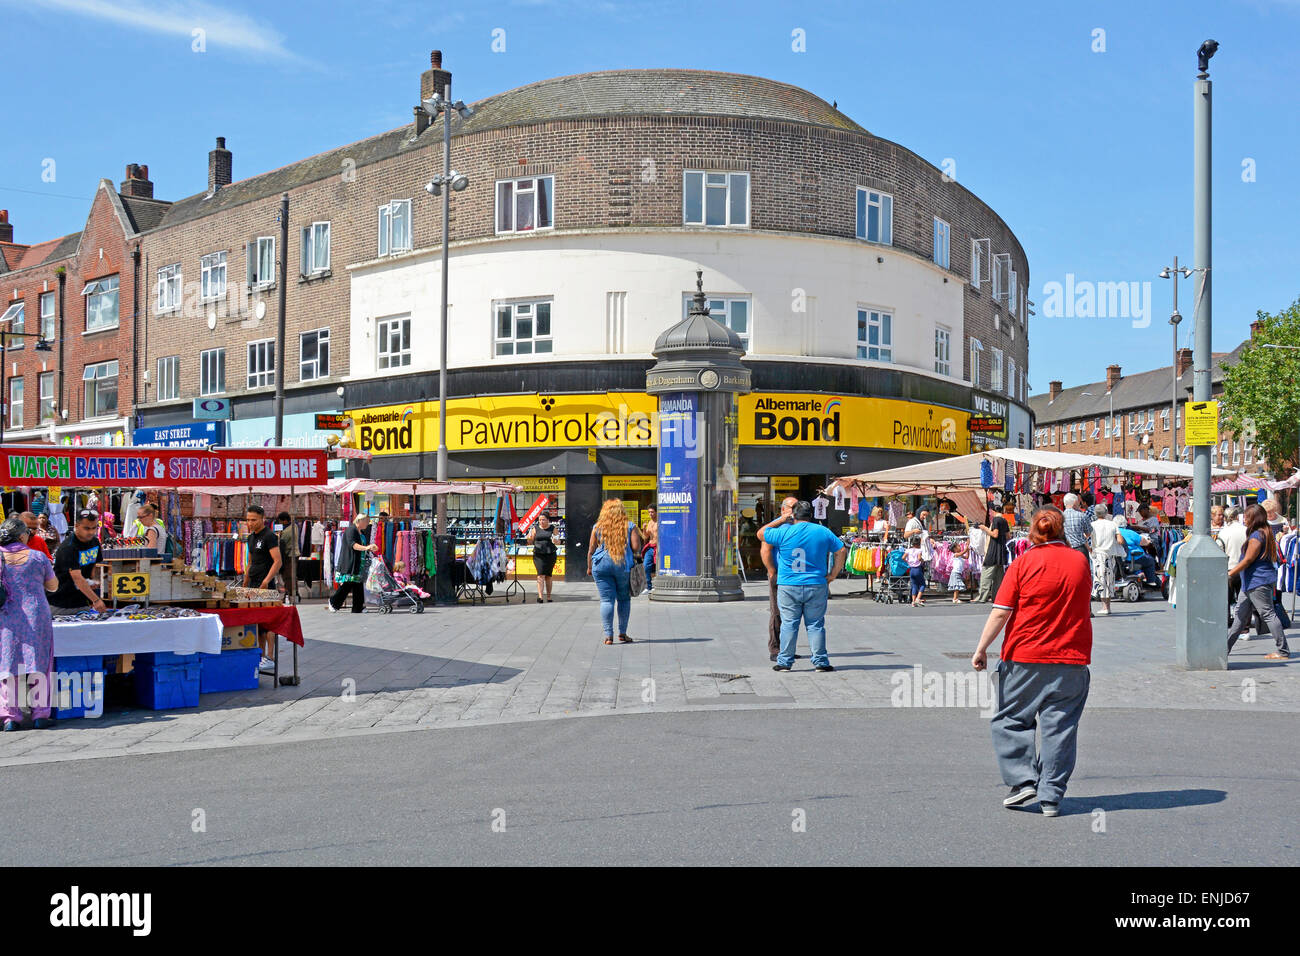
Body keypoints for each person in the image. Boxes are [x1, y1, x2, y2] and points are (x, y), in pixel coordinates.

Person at [972, 505, 1092, 818]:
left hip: (1024, 656)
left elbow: (1001, 611)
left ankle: (1023, 780)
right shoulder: (1080, 561)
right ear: (1062, 529)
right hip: (1071, 658)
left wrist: (982, 648)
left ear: (1032, 532)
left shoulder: (1023, 563)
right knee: (1060, 729)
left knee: (1011, 719)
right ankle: (1051, 797)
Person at [759, 500, 848, 672]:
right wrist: (833, 574)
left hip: (788, 584)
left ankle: (784, 661)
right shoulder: (822, 531)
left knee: (788, 623)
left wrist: (781, 519)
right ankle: (820, 662)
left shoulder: (784, 532)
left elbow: (761, 534)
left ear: (794, 515)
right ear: (811, 515)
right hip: (816, 583)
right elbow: (841, 550)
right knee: (815, 624)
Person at [0, 516, 60, 731]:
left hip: (5, 616)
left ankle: (10, 718)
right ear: (22, 535)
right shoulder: (37, 557)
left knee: (8, 666)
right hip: (36, 615)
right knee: (40, 664)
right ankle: (40, 715)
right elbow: (53, 587)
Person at [1227, 504, 1290, 660]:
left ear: (1254, 518)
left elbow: (1248, 559)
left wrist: (1230, 573)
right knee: (1240, 618)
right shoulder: (1264, 533)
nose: (1244, 519)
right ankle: (1224, 648)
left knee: (1268, 614)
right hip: (1250, 582)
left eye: (1247, 517)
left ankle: (1283, 651)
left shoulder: (1257, 536)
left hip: (1257, 582)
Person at [587, 498, 642, 645]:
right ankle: (622, 634)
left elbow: (591, 549)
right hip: (622, 564)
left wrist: (589, 567)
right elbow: (636, 547)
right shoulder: (630, 526)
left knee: (606, 600)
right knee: (623, 599)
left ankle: (608, 636)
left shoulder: (597, 527)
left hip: (601, 564)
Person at [243, 505, 283, 672]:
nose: (250, 523)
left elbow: (277, 561)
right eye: (248, 520)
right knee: (258, 623)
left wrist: (267, 580)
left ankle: (270, 657)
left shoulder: (269, 536)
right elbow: (250, 562)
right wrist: (245, 581)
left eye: (254, 520)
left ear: (262, 519)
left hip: (265, 585)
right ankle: (260, 655)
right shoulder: (251, 538)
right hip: (253, 584)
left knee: (268, 623)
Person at [762, 496, 798, 662]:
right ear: (783, 509)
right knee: (777, 613)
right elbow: (765, 550)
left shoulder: (798, 524)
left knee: (791, 615)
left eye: (796, 507)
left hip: (794, 575)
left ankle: (787, 647)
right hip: (779, 575)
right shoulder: (777, 525)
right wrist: (771, 570)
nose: (793, 510)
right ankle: (775, 648)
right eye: (791, 507)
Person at [50, 510, 106, 616]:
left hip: (83, 601)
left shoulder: (95, 542)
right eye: (86, 528)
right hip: (61, 603)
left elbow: (96, 565)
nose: (91, 532)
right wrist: (96, 600)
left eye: (94, 528)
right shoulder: (68, 547)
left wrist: (95, 581)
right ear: (76, 526)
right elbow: (77, 577)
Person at [329, 514, 377, 614]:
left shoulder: (361, 532)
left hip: (359, 562)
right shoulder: (351, 530)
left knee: (358, 584)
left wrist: (369, 548)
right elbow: (353, 545)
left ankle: (358, 607)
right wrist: (366, 548)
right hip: (350, 562)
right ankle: (334, 602)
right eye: (366, 521)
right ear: (360, 521)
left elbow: (361, 545)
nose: (367, 524)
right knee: (348, 583)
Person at [1088, 504, 1126, 616]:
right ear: (1106, 513)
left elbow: (1085, 537)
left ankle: (1104, 606)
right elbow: (1120, 541)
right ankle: (1107, 606)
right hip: (1110, 555)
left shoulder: (1092, 525)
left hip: (1098, 554)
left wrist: (1090, 549)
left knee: (1100, 579)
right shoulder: (1113, 524)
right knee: (1109, 580)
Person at [1217, 506, 1248, 623]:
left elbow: (1220, 550)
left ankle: (1225, 622)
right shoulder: (1246, 530)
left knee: (1226, 599)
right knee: (1244, 599)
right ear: (1237, 516)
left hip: (1229, 569)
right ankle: (1244, 625)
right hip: (1244, 568)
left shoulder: (1224, 532)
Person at [973, 509, 1010, 602]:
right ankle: (997, 597)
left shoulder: (996, 520)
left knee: (986, 575)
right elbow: (1008, 536)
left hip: (993, 551)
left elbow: (995, 534)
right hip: (1001, 552)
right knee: (998, 578)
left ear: (992, 511)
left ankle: (982, 597)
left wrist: (984, 528)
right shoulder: (1004, 520)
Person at [1116, 516, 1160, 587]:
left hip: (1119, 560)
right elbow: (1144, 542)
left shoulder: (1113, 533)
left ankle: (1139, 574)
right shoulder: (1129, 533)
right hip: (1132, 558)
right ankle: (1151, 581)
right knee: (1150, 560)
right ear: (1125, 524)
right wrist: (1148, 541)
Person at [528, 512, 559, 603]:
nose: (541, 522)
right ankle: (540, 596)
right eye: (540, 520)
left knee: (548, 575)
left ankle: (549, 596)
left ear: (548, 520)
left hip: (550, 553)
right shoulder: (535, 529)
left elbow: (558, 541)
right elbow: (530, 541)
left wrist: (555, 540)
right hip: (538, 554)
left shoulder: (553, 528)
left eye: (543, 520)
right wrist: (529, 538)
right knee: (540, 574)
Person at [1061, 494, 1093, 567]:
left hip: (1065, 549)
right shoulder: (1082, 515)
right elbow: (1089, 533)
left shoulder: (1059, 517)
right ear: (1075, 502)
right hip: (1080, 549)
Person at [275, 511, 299, 598]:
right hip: (295, 554)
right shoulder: (295, 526)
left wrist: (279, 536)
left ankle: (290, 594)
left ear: (285, 520)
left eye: (281, 521)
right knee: (292, 575)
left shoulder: (287, 531)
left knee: (288, 575)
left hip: (289, 555)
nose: (280, 523)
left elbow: (282, 542)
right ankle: (294, 593)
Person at [904, 535, 927, 607]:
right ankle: (918, 598)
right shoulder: (919, 550)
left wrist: (908, 562)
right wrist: (923, 561)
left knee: (914, 585)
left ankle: (913, 602)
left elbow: (903, 557)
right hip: (917, 568)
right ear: (918, 544)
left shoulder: (908, 550)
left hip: (911, 569)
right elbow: (919, 558)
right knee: (923, 584)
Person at [640, 505, 658, 594]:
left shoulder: (660, 522)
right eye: (649, 512)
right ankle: (648, 586)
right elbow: (645, 536)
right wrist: (644, 528)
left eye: (652, 512)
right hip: (650, 547)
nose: (650, 514)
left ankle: (658, 585)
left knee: (658, 567)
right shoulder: (650, 522)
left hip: (658, 547)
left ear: (656, 512)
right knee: (646, 565)